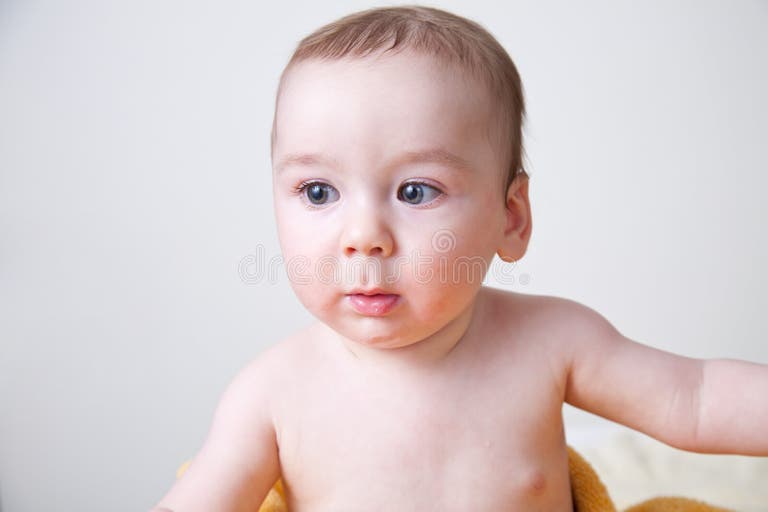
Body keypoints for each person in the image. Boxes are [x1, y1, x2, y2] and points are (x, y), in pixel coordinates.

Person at [152, 6, 768, 511]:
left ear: (511, 218)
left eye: (416, 191)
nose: (363, 237)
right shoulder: (272, 393)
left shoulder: (551, 341)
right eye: (318, 192)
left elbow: (694, 398)